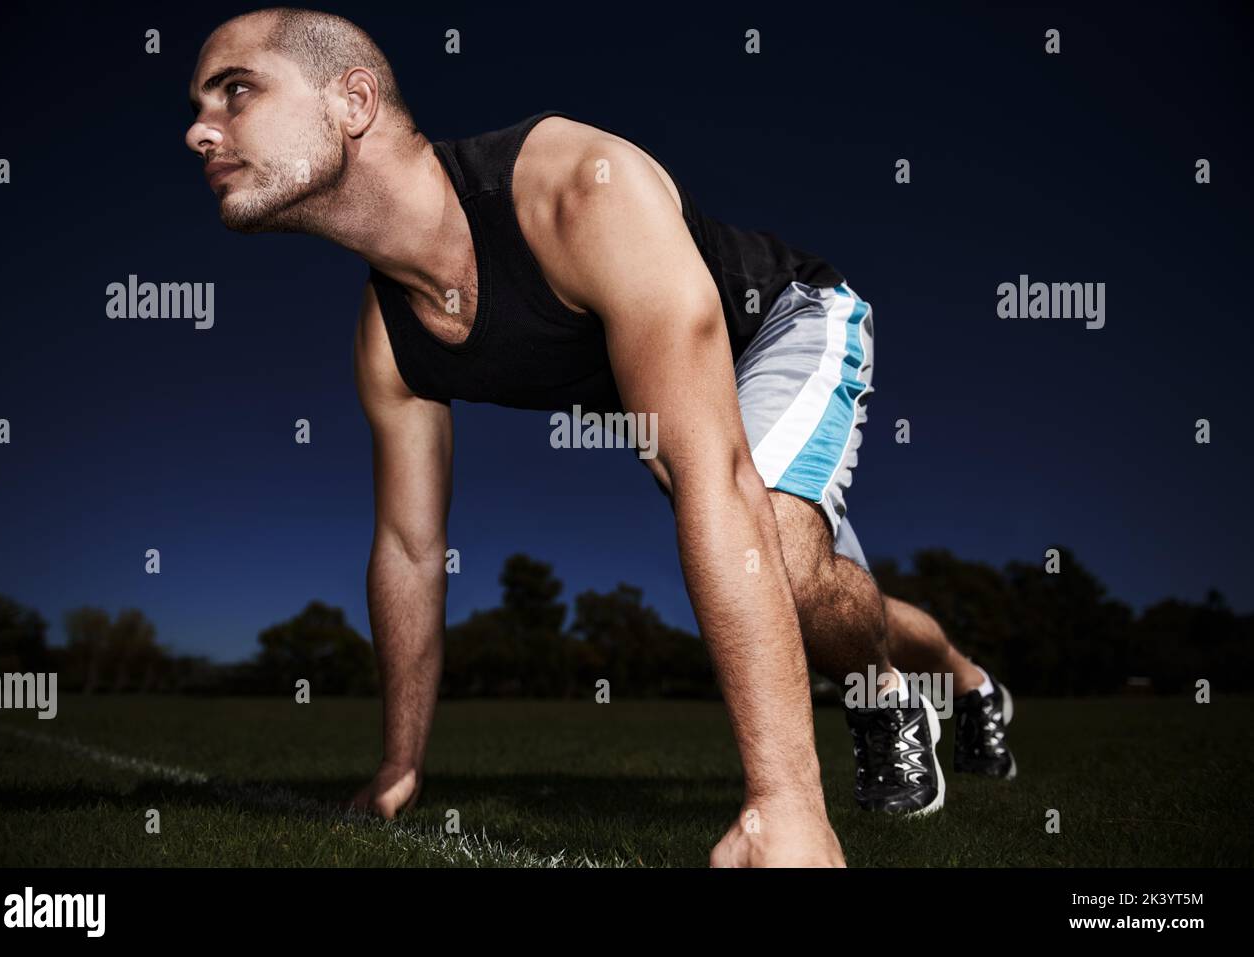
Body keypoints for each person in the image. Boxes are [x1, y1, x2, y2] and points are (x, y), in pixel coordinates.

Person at [185, 7, 1015, 867]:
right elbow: (408, 548)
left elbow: (716, 475)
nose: (198, 131)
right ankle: (966, 679)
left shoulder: (579, 186)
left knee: (771, 547)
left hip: (784, 325)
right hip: (669, 401)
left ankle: (882, 690)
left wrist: (784, 803)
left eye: (235, 91)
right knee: (808, 588)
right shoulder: (388, 339)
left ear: (353, 99)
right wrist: (400, 762)